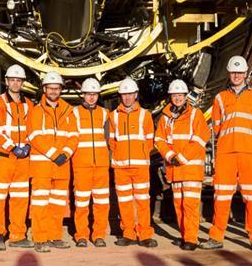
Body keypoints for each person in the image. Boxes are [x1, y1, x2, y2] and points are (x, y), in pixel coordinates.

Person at [201, 56, 252, 253]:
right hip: (226, 153)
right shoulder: (220, 98)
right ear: (229, 74)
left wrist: (251, 143)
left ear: (246, 74)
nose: (237, 75)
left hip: (248, 153)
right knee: (221, 196)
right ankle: (216, 236)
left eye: (240, 72)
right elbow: (216, 126)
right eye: (233, 72)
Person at [154, 79, 210, 251]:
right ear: (170, 96)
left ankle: (191, 239)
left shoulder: (195, 114)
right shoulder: (165, 118)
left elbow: (201, 138)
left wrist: (183, 158)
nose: (177, 98)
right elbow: (159, 140)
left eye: (180, 95)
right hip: (175, 169)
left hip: (190, 169)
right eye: (174, 95)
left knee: (190, 205)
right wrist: (171, 156)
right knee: (179, 205)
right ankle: (185, 235)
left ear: (186, 96)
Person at [27, 71, 78, 253]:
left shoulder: (68, 111)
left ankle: (55, 236)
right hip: (42, 166)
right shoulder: (36, 111)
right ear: (44, 89)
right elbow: (34, 136)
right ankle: (40, 238)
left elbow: (74, 136)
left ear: (61, 90)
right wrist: (54, 154)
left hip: (62, 165)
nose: (54, 91)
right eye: (51, 88)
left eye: (57, 88)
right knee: (40, 204)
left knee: (57, 204)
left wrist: (65, 153)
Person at [0, 64, 36, 250]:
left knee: (20, 197)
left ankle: (17, 235)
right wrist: (12, 147)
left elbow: (32, 128)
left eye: (19, 80)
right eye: (13, 80)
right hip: (4, 158)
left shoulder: (28, 104)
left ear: (22, 83)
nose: (16, 83)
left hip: (23, 159)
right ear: (7, 81)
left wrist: (28, 145)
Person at [109, 77, 157, 248]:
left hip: (140, 166)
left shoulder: (145, 115)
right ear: (120, 96)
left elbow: (150, 140)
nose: (127, 98)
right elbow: (111, 141)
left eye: (130, 94)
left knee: (143, 201)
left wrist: (142, 155)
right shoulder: (113, 116)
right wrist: (119, 156)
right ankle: (128, 233)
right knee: (124, 202)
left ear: (136, 95)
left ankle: (145, 235)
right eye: (124, 95)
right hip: (121, 167)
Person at [70, 77, 110, 248]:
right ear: (83, 95)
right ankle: (81, 236)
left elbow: (110, 140)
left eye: (94, 94)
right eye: (88, 94)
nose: (92, 97)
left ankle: (99, 235)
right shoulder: (75, 113)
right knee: (81, 203)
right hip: (81, 166)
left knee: (101, 203)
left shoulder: (105, 113)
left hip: (101, 166)